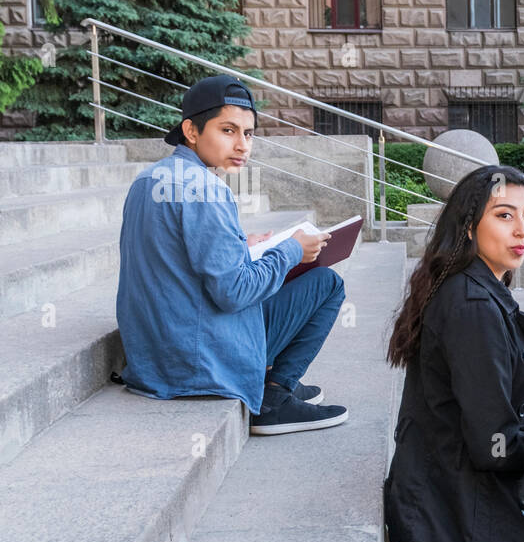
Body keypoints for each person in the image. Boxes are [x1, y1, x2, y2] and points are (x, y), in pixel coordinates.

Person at [383, 165, 524, 542]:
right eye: (505, 216)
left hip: (445, 492)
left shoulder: (477, 288)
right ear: (470, 225)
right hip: (454, 509)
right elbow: (493, 447)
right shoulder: (472, 306)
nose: (521, 231)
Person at [115, 74, 349, 436]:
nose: (242, 145)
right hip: (198, 361)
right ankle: (273, 398)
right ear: (191, 131)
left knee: (288, 271)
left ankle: (269, 379)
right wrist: (291, 250)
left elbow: (173, 256)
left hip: (155, 357)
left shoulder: (151, 179)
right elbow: (235, 291)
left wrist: (243, 245)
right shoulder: (206, 190)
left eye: (249, 133)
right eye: (228, 130)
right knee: (326, 283)